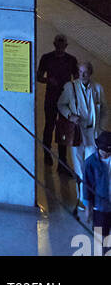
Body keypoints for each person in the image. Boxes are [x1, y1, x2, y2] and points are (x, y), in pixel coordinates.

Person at [58, 60, 100, 208]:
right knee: (79, 167)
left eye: (86, 72)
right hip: (76, 132)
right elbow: (61, 104)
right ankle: (83, 199)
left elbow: (105, 110)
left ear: (90, 73)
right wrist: (70, 115)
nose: (82, 75)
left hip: (92, 133)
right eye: (80, 72)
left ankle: (91, 198)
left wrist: (100, 128)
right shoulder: (70, 87)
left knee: (92, 166)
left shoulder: (97, 88)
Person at [37, 35, 79, 166]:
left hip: (65, 99)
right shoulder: (47, 58)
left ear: (65, 46)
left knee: (62, 128)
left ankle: (61, 159)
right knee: (50, 126)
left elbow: (77, 78)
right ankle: (48, 154)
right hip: (51, 97)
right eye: (58, 46)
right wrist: (49, 80)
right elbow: (39, 76)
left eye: (62, 46)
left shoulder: (71, 60)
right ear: (55, 45)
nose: (60, 48)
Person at [84, 130, 111, 243]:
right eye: (103, 150)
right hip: (100, 206)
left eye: (108, 151)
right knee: (101, 237)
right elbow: (87, 185)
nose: (105, 153)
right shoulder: (91, 162)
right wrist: (87, 206)